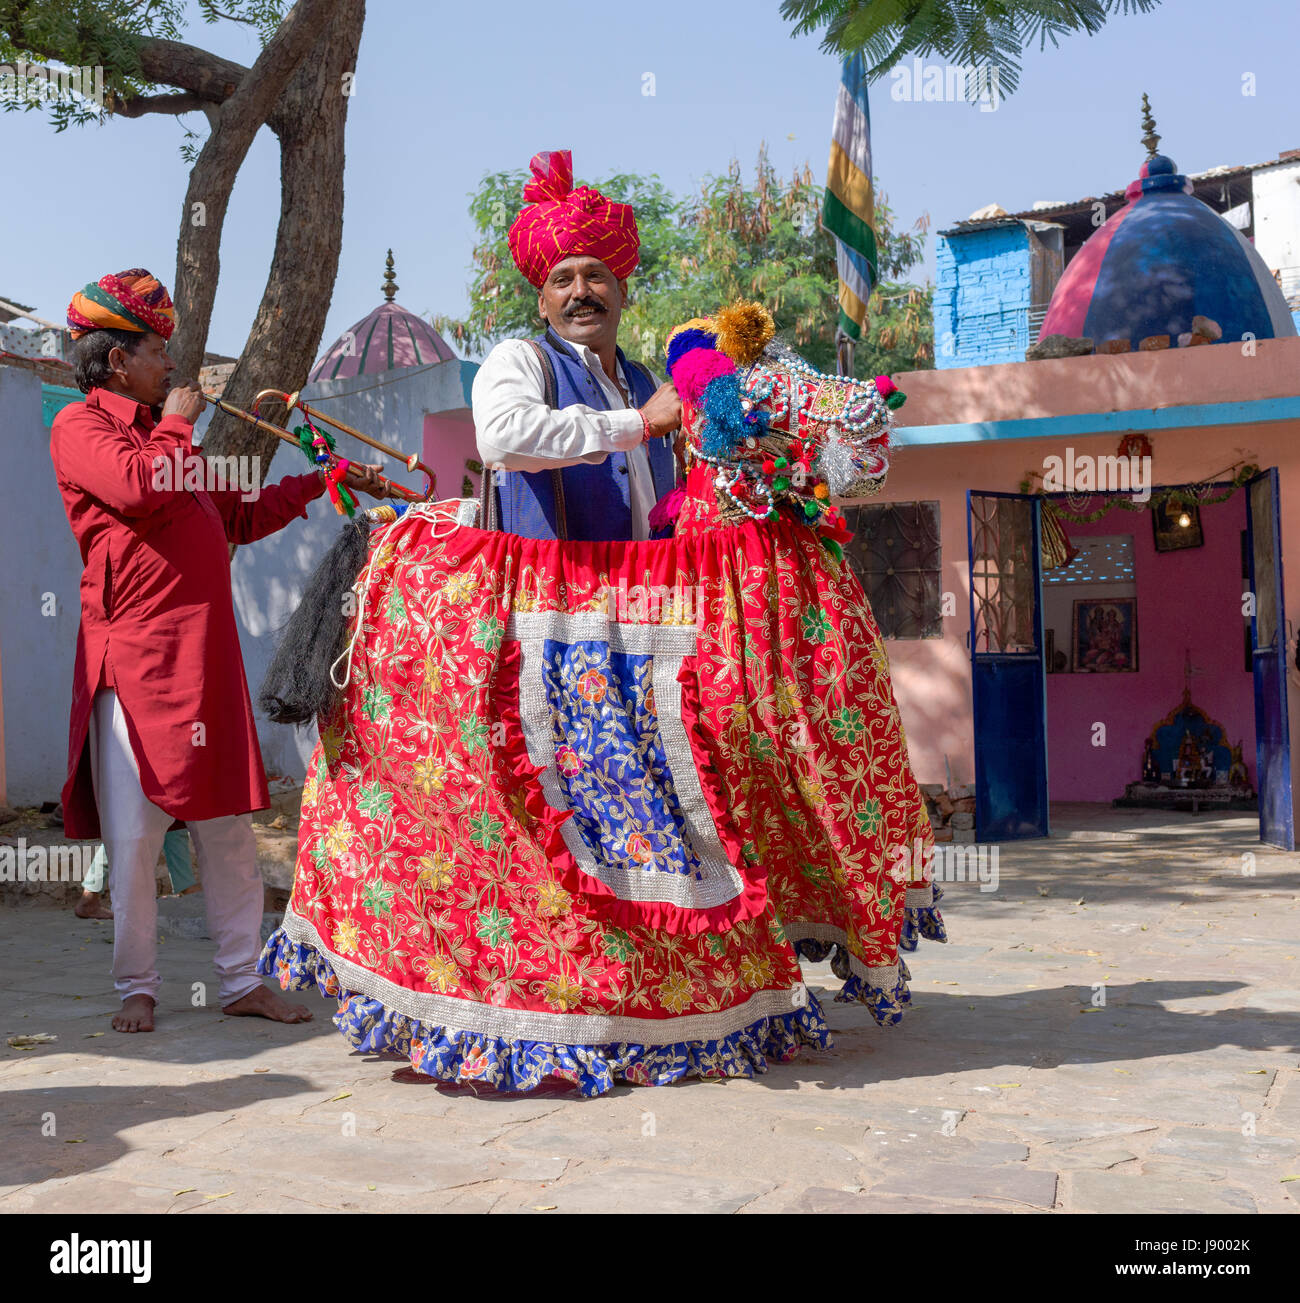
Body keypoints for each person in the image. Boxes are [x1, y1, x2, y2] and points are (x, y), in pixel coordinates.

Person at [52, 268, 385, 1033]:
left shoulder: (170, 443)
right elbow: (139, 489)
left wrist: (319, 483)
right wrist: (175, 423)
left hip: (201, 659)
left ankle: (242, 977)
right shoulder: (81, 429)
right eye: (156, 350)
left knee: (227, 826)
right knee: (134, 836)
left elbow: (234, 515)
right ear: (115, 362)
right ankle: (137, 983)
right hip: (131, 663)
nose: (173, 364)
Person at [471, 149, 682, 540]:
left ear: (622, 290)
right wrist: (639, 424)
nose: (581, 292)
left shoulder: (647, 382)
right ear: (542, 303)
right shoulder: (519, 360)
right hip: (552, 597)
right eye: (563, 280)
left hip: (653, 594)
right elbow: (500, 440)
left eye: (595, 276)